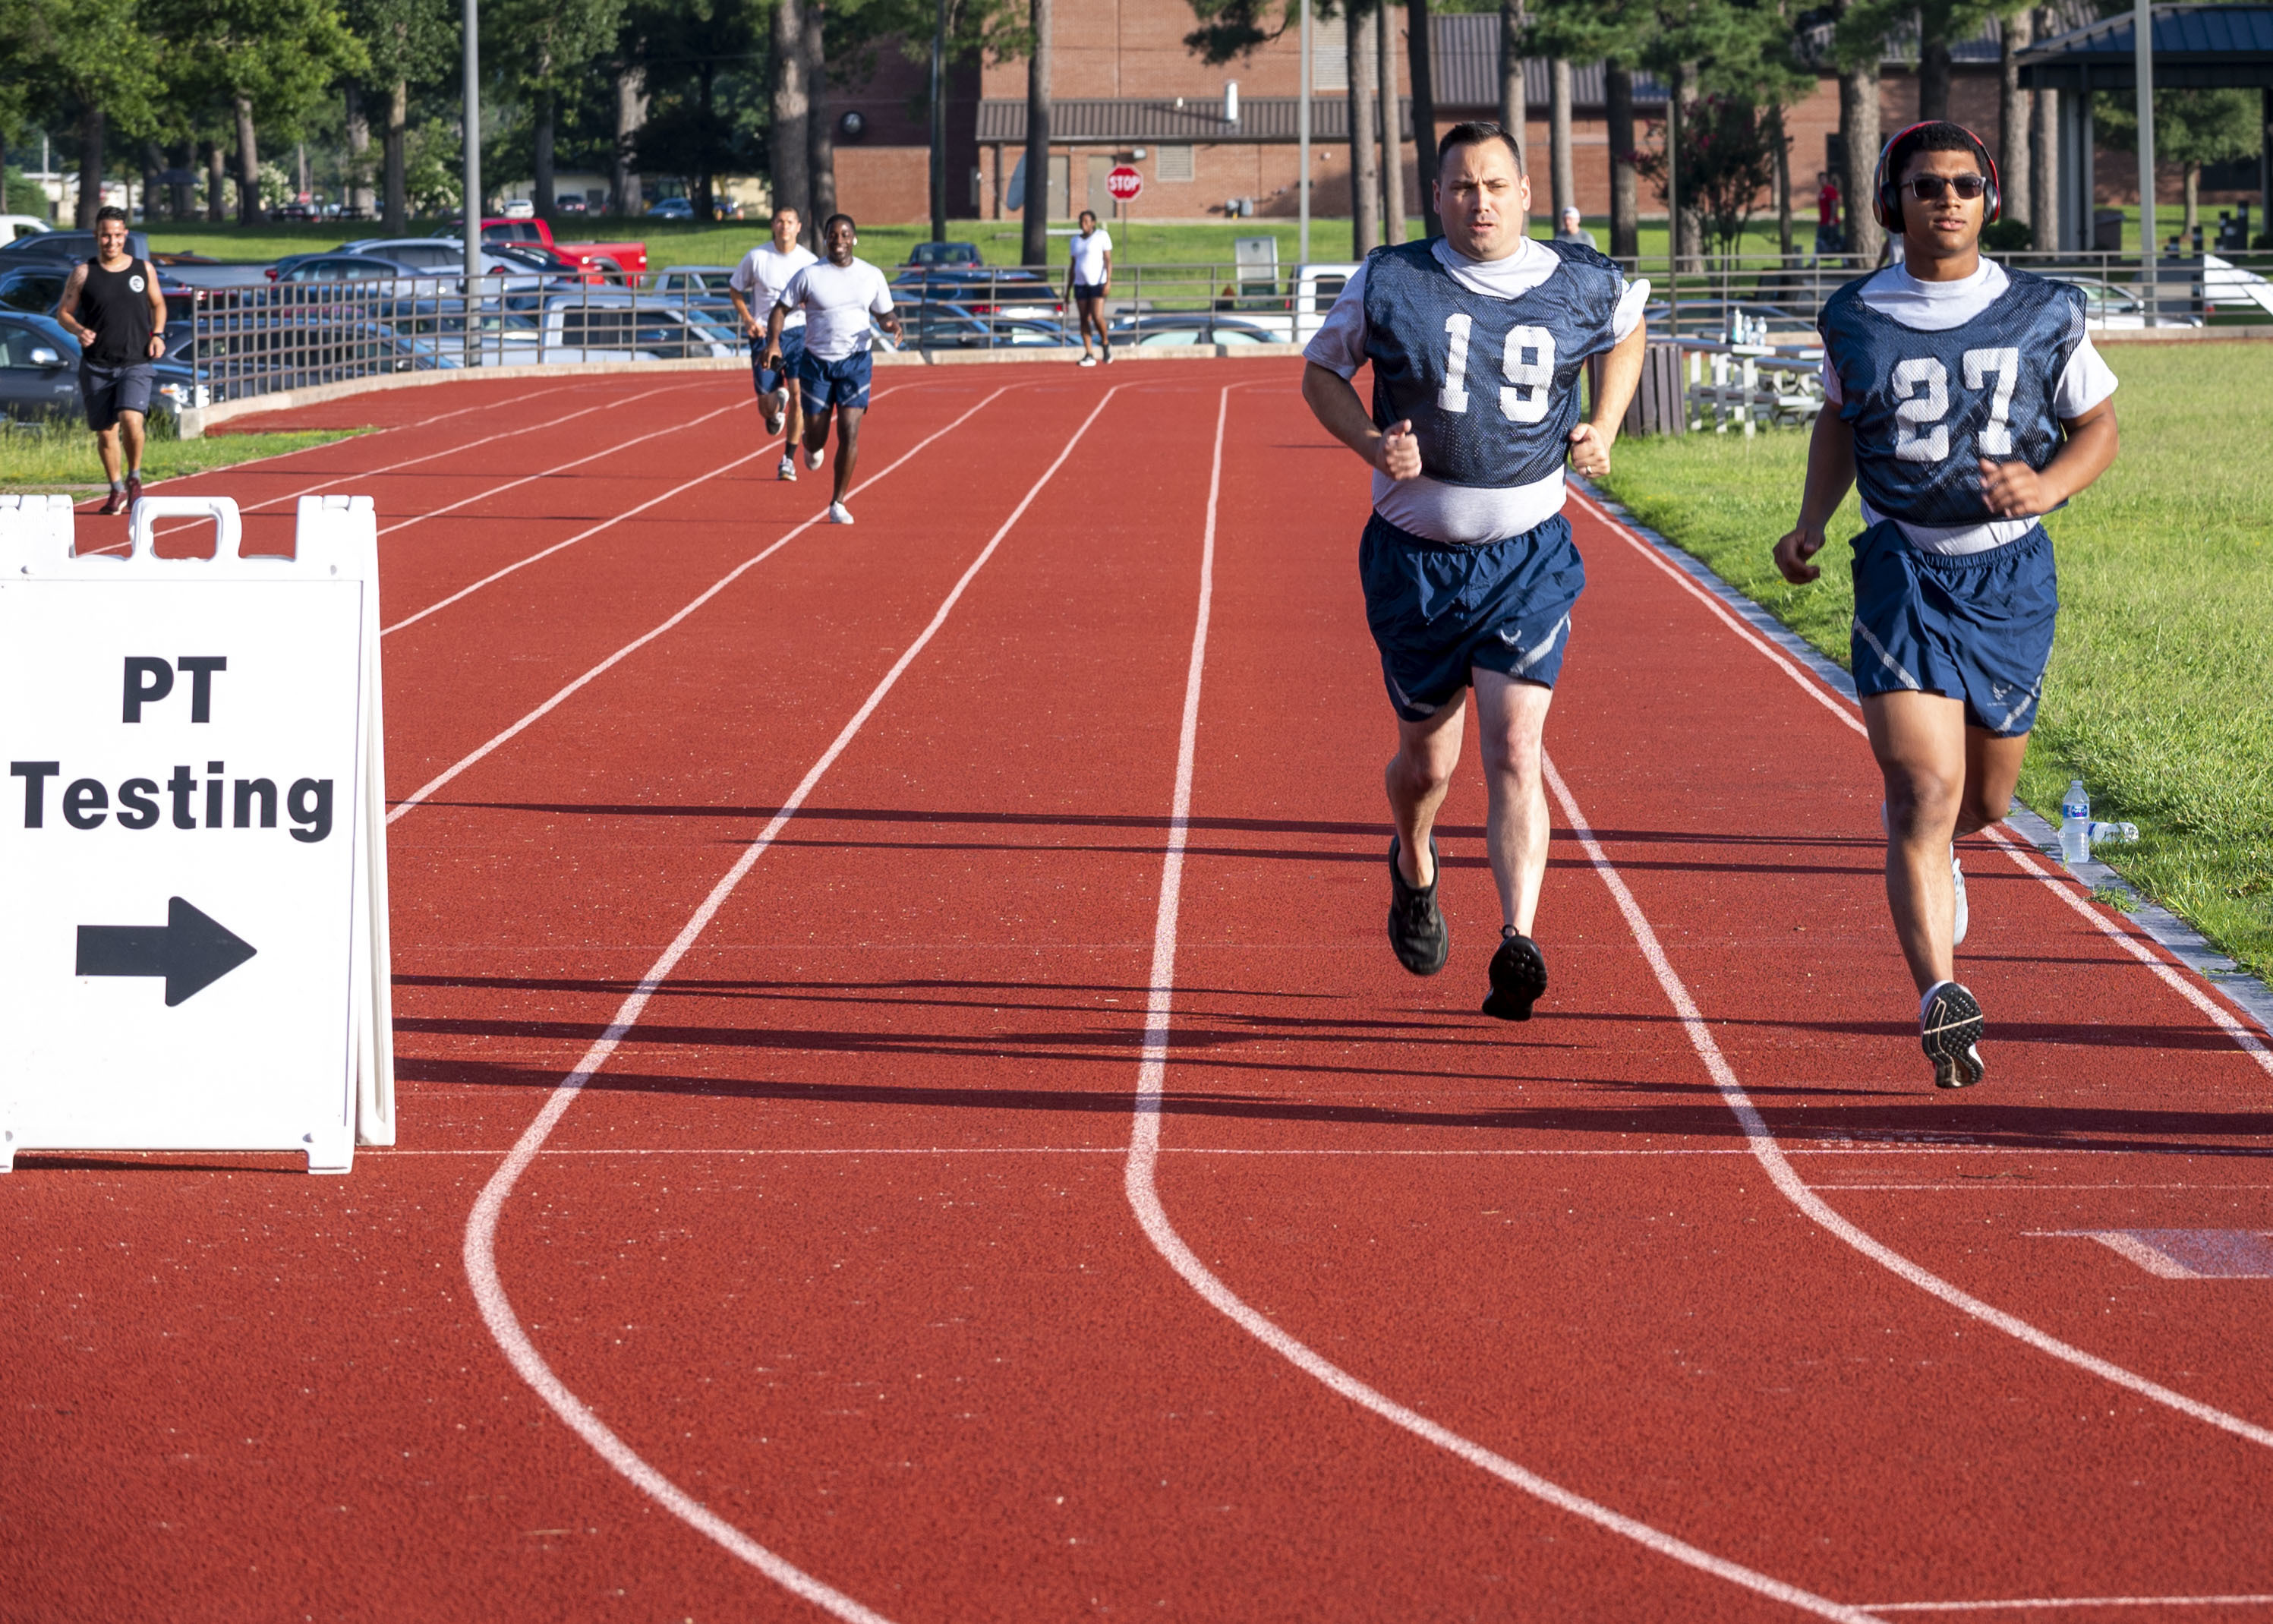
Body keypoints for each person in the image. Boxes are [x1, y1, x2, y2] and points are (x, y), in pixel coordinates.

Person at [1774, 121, 2120, 1090]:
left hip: (2010, 575)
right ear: (1894, 202)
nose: (1949, 199)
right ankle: (1941, 996)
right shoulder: (1853, 315)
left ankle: (1944, 859)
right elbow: (1840, 422)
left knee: (1987, 801)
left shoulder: (2045, 310)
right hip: (1902, 567)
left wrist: (2049, 487)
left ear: (1990, 198)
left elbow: (2097, 428)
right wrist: (1810, 524)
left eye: (1966, 183)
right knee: (1920, 792)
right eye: (1927, 185)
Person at [1300, 120, 1648, 1022]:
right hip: (1415, 566)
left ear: (1526, 193)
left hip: (1528, 558)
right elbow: (1321, 374)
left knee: (1515, 749)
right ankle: (1413, 859)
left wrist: (1604, 424)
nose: (1480, 202)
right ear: (1437, 198)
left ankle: (1518, 939)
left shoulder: (1578, 277)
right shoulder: (1391, 278)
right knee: (1427, 763)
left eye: (1496, 185)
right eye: (1462, 187)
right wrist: (1373, 441)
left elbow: (1630, 328)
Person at [762, 214, 903, 526]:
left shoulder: (871, 275)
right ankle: (811, 447)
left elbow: (884, 312)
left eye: (844, 235)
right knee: (815, 438)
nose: (838, 240)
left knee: (850, 431)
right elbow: (780, 309)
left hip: (856, 363)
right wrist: (774, 342)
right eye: (832, 235)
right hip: (818, 363)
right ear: (825, 239)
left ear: (854, 239)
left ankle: (838, 501)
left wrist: (890, 322)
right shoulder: (810, 275)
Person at [53, 206, 166, 516]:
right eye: (106, 235)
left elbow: (158, 304)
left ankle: (135, 477)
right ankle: (116, 489)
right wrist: (78, 330)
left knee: (132, 419)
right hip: (97, 364)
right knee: (105, 431)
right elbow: (63, 312)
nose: (111, 241)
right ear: (96, 236)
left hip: (135, 361)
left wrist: (158, 334)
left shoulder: (143, 270)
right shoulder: (83, 273)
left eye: (117, 235)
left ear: (125, 235)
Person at [729, 204, 819, 481]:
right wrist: (747, 319)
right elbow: (735, 288)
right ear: (773, 225)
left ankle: (788, 460)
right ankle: (775, 409)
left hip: (798, 333)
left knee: (799, 395)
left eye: (790, 222)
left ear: (799, 227)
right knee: (765, 406)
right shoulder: (757, 257)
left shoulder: (809, 261)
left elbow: (820, 298)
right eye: (780, 221)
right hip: (765, 336)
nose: (784, 227)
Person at [1067, 210, 1113, 366]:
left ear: (1093, 222)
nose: (1083, 224)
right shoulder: (1075, 241)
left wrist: (1108, 281)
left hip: (1097, 283)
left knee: (1097, 315)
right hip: (1080, 283)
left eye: (1087, 221)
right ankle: (1089, 353)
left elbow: (1108, 260)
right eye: (1081, 221)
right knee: (1083, 319)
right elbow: (1073, 265)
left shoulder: (1101, 236)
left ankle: (1105, 343)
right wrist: (1067, 290)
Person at [1814, 171, 1844, 260]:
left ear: (1827, 179)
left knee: (1836, 242)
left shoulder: (1830, 190)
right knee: (1819, 241)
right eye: (1820, 179)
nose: (1822, 181)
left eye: (1824, 178)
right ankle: (1813, 262)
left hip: (1831, 222)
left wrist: (1832, 219)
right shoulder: (1822, 192)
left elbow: (1834, 204)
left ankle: (1845, 262)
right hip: (1823, 223)